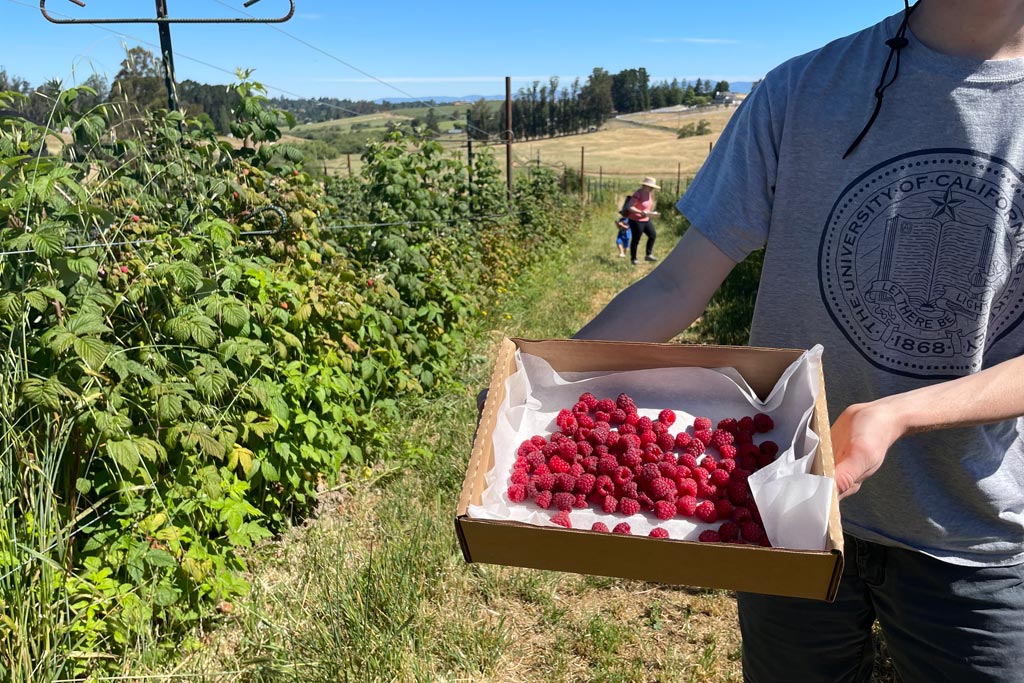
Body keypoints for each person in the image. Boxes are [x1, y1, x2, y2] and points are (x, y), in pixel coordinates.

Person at [572, 1, 1024, 681]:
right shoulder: (803, 90)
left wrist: (900, 414)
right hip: (787, 504)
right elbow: (678, 284)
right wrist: (554, 374)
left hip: (975, 533)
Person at [624, 176, 661, 265]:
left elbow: (646, 207)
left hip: (646, 219)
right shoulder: (638, 194)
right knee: (636, 239)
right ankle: (633, 259)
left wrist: (651, 213)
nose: (652, 188)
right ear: (645, 186)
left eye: (653, 187)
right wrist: (641, 212)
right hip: (635, 220)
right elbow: (630, 207)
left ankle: (648, 254)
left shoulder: (649, 194)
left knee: (652, 235)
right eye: (650, 186)